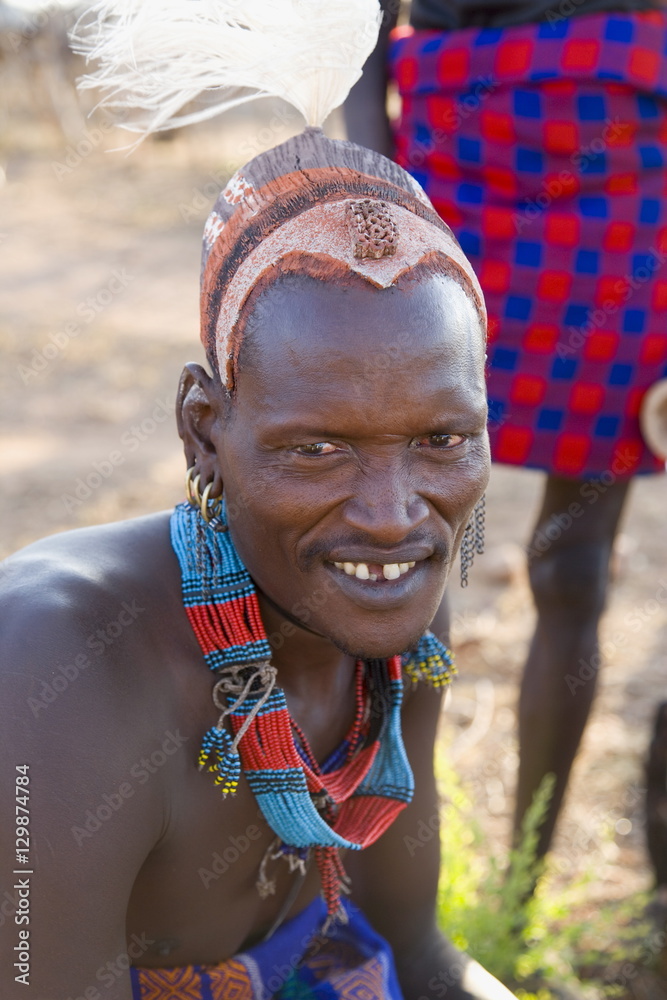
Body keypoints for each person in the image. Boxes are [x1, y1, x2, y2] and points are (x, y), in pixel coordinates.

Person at [0, 2, 518, 993]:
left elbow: (413, 955)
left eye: (441, 438)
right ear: (204, 429)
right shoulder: (55, 671)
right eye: (317, 447)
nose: (390, 511)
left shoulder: (400, 609)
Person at [345, 0, 667, 859]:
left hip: (632, 158)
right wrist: (370, 159)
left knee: (573, 569)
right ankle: (391, 870)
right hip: (453, 152)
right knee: (399, 542)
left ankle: (522, 882)